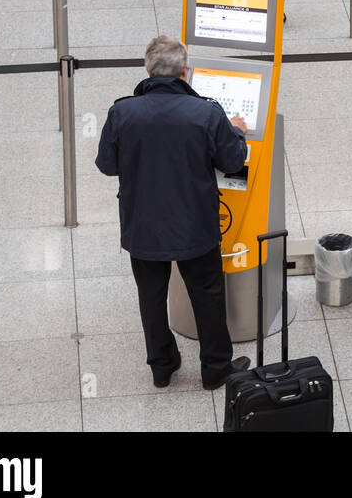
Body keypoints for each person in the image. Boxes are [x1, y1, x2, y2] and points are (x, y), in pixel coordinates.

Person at [94, 35, 251, 390]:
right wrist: (237, 133)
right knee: (207, 293)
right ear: (185, 71)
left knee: (151, 297)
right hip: (195, 226)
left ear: (147, 69)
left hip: (143, 227)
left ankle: (162, 367)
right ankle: (215, 369)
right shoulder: (207, 113)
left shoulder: (122, 112)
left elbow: (106, 165)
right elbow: (232, 160)